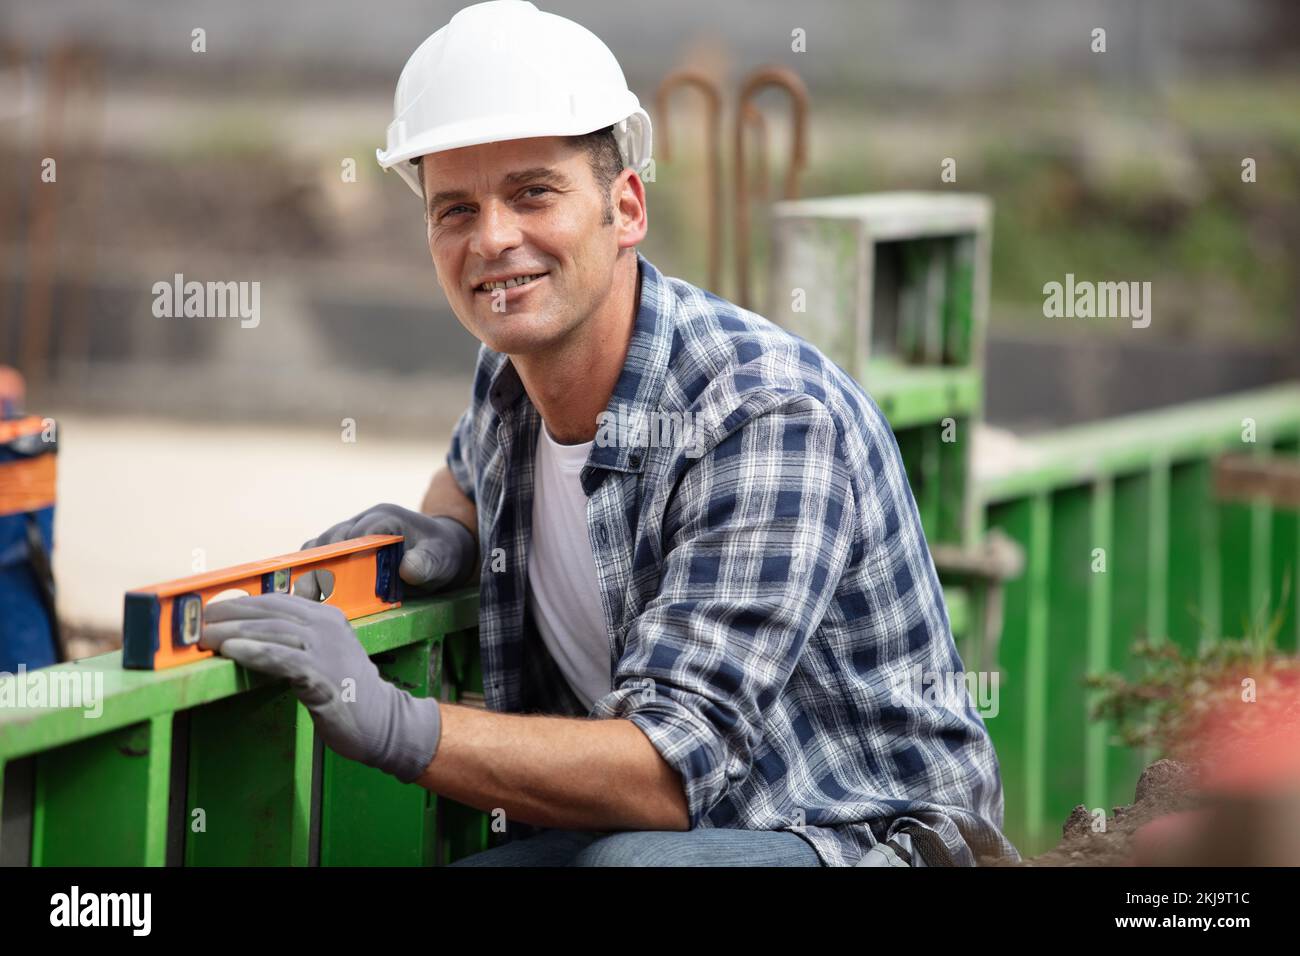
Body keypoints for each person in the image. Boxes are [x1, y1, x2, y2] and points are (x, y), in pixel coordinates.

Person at [200, 0, 1018, 868]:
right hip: (672, 830)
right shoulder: (509, 380)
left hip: (866, 834)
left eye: (532, 193)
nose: (493, 239)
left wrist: (396, 723)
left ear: (625, 207)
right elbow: (466, 482)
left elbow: (666, 772)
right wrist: (446, 533)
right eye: (455, 210)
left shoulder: (762, 417)